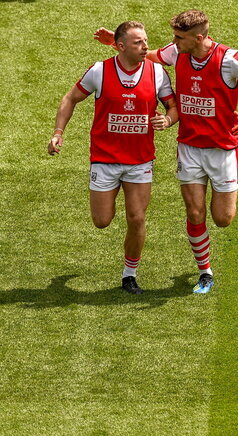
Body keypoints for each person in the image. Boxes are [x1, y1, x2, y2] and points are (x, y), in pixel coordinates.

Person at [95, 9, 238, 294]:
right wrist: (114, 43)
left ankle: (206, 257)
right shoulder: (178, 52)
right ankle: (205, 272)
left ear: (199, 37)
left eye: (179, 37)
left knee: (222, 219)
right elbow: (149, 55)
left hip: (223, 149)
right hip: (190, 147)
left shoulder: (229, 59)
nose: (173, 42)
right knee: (195, 213)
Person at [49, 21, 177, 295]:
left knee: (137, 217)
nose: (145, 47)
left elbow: (173, 106)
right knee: (102, 220)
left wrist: (167, 120)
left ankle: (129, 276)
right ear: (120, 46)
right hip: (105, 160)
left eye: (145, 41)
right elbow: (70, 98)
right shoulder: (100, 71)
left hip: (140, 160)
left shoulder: (157, 73)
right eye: (138, 43)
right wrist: (59, 132)